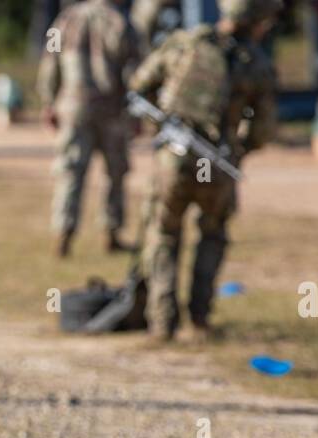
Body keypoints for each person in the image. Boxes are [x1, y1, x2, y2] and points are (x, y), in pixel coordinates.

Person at [130, 0, 279, 340]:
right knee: (211, 235)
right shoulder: (253, 63)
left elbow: (140, 87)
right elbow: (264, 127)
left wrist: (161, 129)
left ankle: (162, 321)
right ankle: (199, 319)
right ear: (255, 21)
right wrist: (241, 149)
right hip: (217, 165)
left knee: (165, 234)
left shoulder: (182, 44)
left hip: (172, 162)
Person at [37, 0, 140, 257]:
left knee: (71, 171)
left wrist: (49, 102)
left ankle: (63, 234)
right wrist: (135, 112)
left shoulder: (67, 19)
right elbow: (135, 71)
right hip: (111, 108)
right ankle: (111, 232)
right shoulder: (122, 23)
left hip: (73, 107)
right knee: (115, 173)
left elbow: (50, 62)